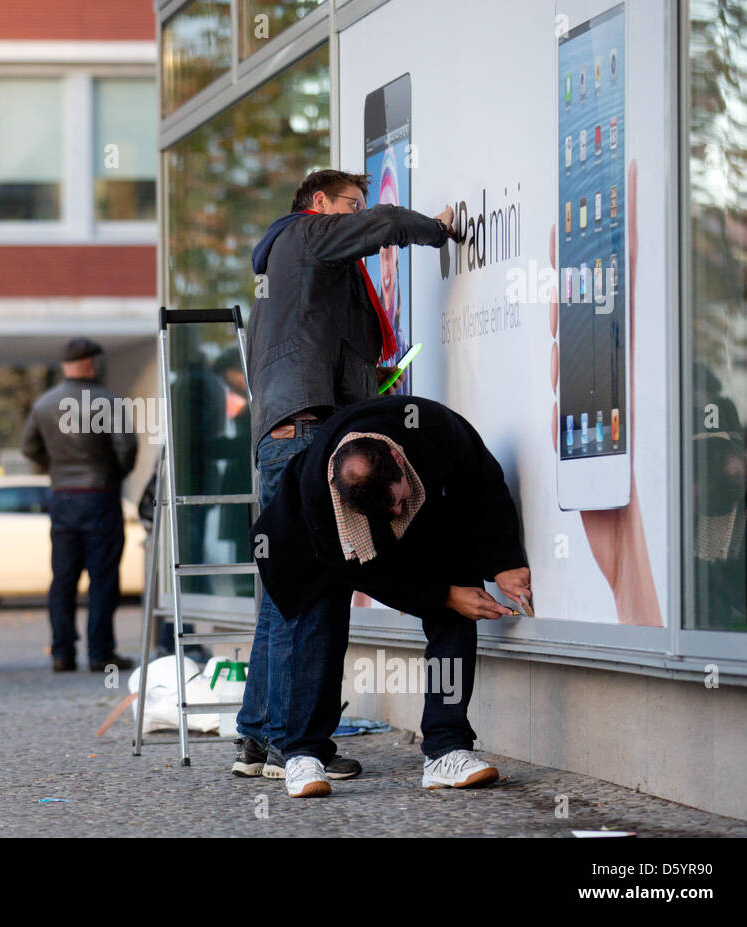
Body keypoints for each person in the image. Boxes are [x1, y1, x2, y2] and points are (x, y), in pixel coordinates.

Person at [234, 168, 457, 781]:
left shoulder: (289, 261)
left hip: (287, 431)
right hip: (307, 435)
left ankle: (258, 736)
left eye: (360, 204)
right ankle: (296, 746)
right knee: (316, 594)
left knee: (284, 592)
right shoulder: (305, 236)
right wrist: (435, 230)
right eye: (349, 205)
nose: (359, 214)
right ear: (318, 204)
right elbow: (382, 225)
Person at [250, 395, 532, 797]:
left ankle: (446, 750)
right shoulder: (320, 491)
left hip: (430, 514)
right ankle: (301, 754)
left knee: (457, 606)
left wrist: (504, 560)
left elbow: (484, 484)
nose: (396, 513)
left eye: (398, 502)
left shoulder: (434, 426)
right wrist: (438, 594)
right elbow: (361, 570)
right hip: (316, 547)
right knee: (316, 625)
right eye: (387, 512)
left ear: (399, 462)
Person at [22, 338, 138, 672]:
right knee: (103, 576)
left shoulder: (44, 404)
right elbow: (126, 449)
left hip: (62, 496)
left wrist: (56, 468)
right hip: (100, 494)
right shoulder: (106, 401)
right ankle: (100, 652)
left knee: (63, 577)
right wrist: (114, 474)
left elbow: (29, 448)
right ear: (92, 363)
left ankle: (62, 652)